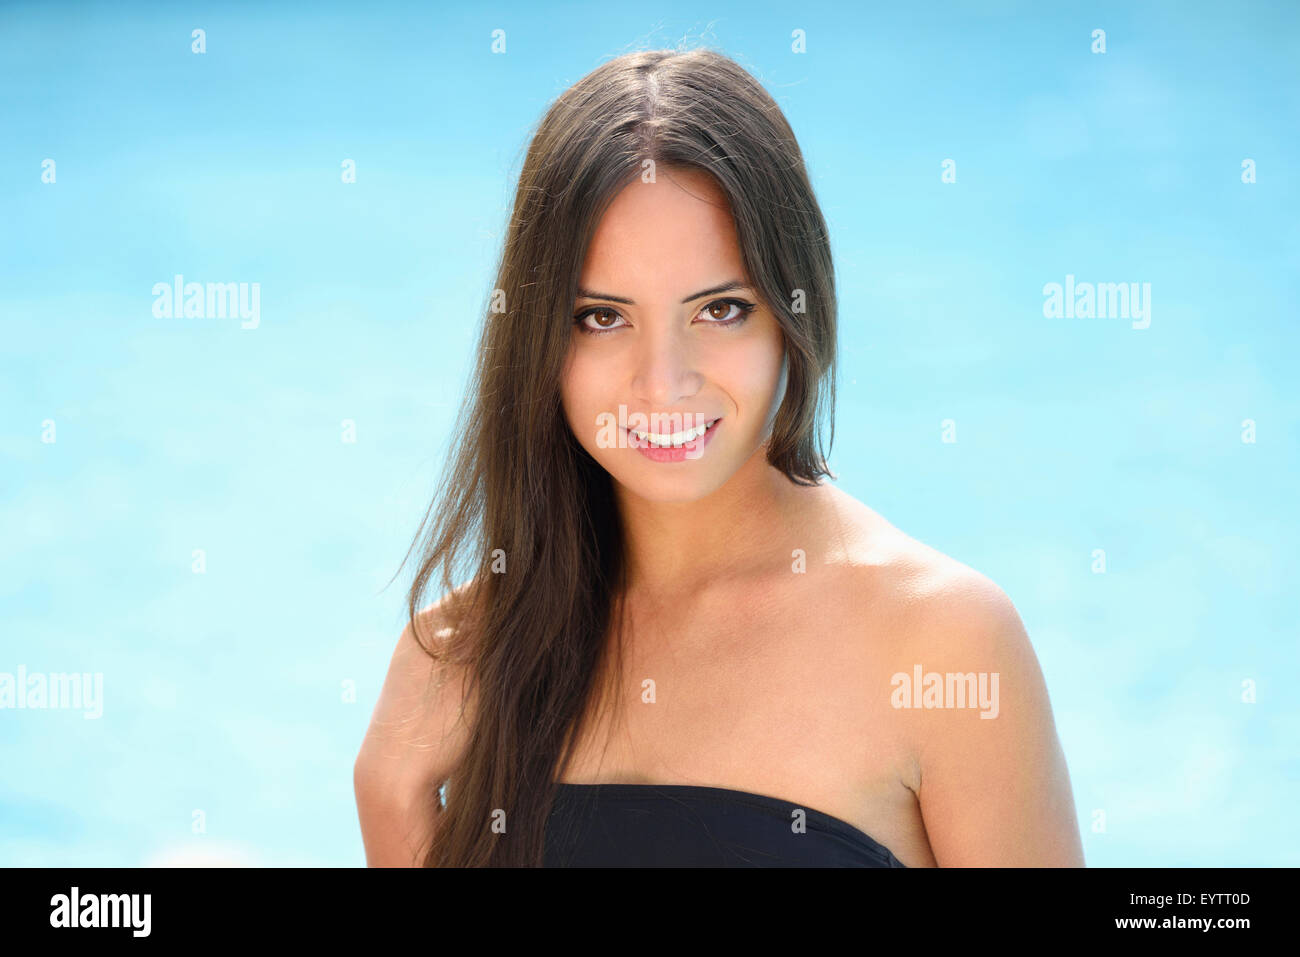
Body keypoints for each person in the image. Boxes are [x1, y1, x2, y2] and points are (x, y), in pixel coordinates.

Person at [354, 47, 1085, 868]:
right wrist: (392, 794)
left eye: (721, 308)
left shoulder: (946, 642)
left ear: (792, 313)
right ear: (538, 340)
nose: (662, 384)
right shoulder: (481, 650)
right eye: (602, 317)